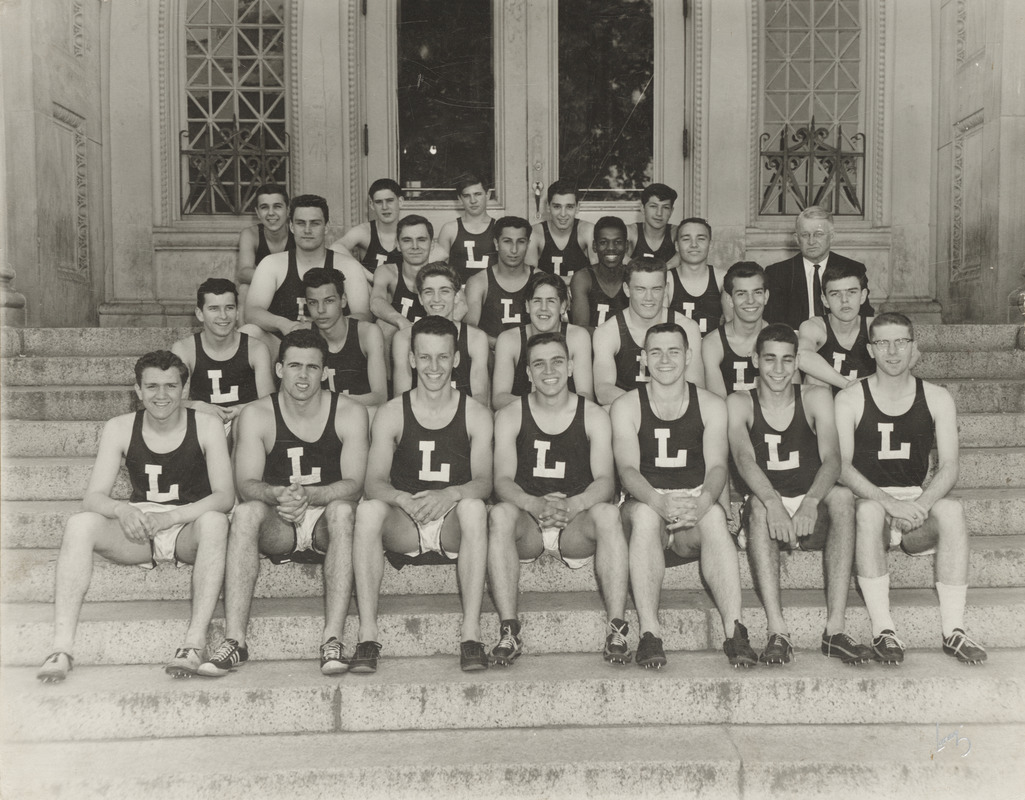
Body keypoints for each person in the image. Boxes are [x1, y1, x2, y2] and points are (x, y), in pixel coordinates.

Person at [37, 351, 233, 682]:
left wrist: (172, 518)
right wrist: (121, 509)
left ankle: (193, 643)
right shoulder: (120, 427)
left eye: (171, 386)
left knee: (216, 522)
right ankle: (61, 647)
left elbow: (225, 497)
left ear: (184, 389)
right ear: (138, 390)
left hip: (187, 526)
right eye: (152, 386)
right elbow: (93, 497)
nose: (161, 395)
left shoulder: (208, 426)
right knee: (79, 524)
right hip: (140, 530)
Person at [198, 330, 369, 677]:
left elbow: (354, 484)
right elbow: (245, 484)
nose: (302, 375)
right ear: (278, 369)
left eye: (311, 367)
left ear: (324, 372)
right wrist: (276, 495)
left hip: (324, 518)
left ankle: (332, 638)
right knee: (246, 514)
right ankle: (235, 641)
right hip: (279, 519)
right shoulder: (257, 414)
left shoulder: (349, 412)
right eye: (294, 365)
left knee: (344, 511)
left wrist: (312, 496)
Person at [835, 312, 986, 665]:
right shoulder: (850, 398)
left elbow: (949, 466)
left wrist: (921, 503)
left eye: (901, 342)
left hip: (913, 503)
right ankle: (884, 630)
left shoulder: (937, 397)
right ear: (870, 349)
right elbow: (840, 467)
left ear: (914, 347)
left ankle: (954, 630)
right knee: (870, 511)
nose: (892, 351)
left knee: (952, 510)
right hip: (868, 500)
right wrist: (888, 503)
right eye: (883, 343)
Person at [351, 317, 494, 673]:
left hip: (452, 522)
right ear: (412, 359)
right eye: (425, 357)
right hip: (405, 520)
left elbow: (485, 481)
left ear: (456, 359)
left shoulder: (476, 413)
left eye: (443, 357)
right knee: (369, 511)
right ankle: (367, 635)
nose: (434, 367)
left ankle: (471, 633)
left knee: (476, 507)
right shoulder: (391, 413)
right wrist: (402, 499)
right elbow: (374, 482)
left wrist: (452, 495)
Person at [611, 323, 757, 669]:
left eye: (674, 351)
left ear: (688, 356)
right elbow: (628, 470)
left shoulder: (710, 404)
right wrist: (658, 502)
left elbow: (718, 467)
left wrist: (702, 503)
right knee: (646, 516)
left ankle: (734, 628)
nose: (665, 359)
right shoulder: (626, 405)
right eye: (656, 352)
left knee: (716, 516)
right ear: (644, 359)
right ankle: (650, 633)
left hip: (692, 507)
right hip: (645, 504)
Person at [727, 324, 871, 666]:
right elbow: (744, 460)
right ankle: (778, 631)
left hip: (810, 507)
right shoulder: (739, 401)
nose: (779, 370)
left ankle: (835, 630)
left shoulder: (815, 396)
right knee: (760, 507)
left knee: (842, 498)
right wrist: (773, 501)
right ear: (755, 360)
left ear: (797, 364)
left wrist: (810, 500)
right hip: (768, 507)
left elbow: (833, 459)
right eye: (770, 360)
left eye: (787, 361)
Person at [488, 332, 631, 666]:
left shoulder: (594, 414)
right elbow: (502, 481)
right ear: (527, 373)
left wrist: (573, 505)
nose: (548, 370)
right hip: (530, 525)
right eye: (538, 363)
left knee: (609, 515)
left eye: (556, 361)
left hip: (575, 525)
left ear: (570, 366)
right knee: (500, 516)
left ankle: (617, 627)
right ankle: (509, 629)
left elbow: (605, 481)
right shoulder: (510, 415)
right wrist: (534, 505)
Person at [241, 195, 371, 361]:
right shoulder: (272, 264)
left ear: (326, 227)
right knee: (249, 333)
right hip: (285, 345)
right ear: (291, 226)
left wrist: (316, 328)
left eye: (315, 223)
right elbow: (252, 312)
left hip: (332, 344)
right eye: (301, 223)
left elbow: (363, 315)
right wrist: (285, 325)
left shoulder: (348, 265)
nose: (307, 230)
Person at [592, 256, 703, 407]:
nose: (649, 298)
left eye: (656, 289)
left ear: (666, 289)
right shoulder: (608, 332)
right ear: (627, 289)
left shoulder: (688, 327)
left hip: (672, 407)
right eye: (640, 289)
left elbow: (696, 385)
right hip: (629, 409)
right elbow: (603, 391)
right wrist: (647, 406)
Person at [171, 278, 274, 435]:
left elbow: (269, 404)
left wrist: (239, 409)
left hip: (246, 426)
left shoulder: (256, 348)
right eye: (214, 308)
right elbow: (174, 401)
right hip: (204, 426)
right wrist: (199, 406)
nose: (223, 316)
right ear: (200, 313)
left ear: (238, 311)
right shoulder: (184, 349)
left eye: (229, 308)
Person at [492, 271, 593, 410]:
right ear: (527, 306)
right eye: (537, 301)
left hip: (565, 416)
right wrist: (543, 405)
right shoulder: (509, 340)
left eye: (551, 301)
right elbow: (499, 398)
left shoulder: (578, 337)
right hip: (524, 418)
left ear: (563, 306)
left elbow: (586, 395)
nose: (543, 308)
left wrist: (551, 406)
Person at [392, 262, 491, 402]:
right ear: (420, 298)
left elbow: (480, 397)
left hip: (464, 416)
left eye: (444, 291)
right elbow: (401, 397)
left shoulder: (475, 338)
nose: (436, 299)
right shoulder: (404, 338)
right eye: (428, 292)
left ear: (456, 296)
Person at [764, 206, 873, 331]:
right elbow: (773, 319)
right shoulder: (778, 273)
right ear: (797, 239)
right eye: (805, 235)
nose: (811, 241)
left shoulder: (852, 268)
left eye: (818, 234)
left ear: (831, 236)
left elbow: (865, 315)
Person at [303, 268, 387, 407]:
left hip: (360, 416)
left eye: (328, 301)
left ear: (343, 300)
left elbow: (380, 397)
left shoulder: (367, 333)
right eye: (313, 302)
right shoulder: (302, 335)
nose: (320, 310)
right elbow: (287, 396)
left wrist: (333, 401)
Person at [797, 261, 877, 391]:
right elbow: (802, 355)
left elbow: (910, 355)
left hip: (865, 403)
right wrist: (848, 386)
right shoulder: (815, 326)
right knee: (814, 378)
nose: (844, 300)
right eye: (835, 294)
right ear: (825, 300)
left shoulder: (875, 326)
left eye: (851, 292)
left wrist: (865, 384)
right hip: (825, 406)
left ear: (862, 296)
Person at [702, 262, 774, 398]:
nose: (750, 301)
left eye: (757, 292)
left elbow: (792, 399)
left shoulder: (779, 339)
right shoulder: (713, 343)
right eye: (742, 294)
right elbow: (718, 405)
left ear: (766, 296)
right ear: (730, 299)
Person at [369, 214, 433, 362]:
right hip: (400, 334)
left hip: (434, 336)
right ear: (398, 244)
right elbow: (376, 302)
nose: (415, 246)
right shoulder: (388, 272)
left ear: (432, 244)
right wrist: (402, 322)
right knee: (383, 326)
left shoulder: (442, 273)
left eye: (421, 240)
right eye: (407, 240)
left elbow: (461, 306)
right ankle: (389, 384)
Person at [464, 216, 535, 347]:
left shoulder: (540, 279)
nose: (514, 250)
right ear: (496, 244)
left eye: (521, 241)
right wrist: (504, 348)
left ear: (528, 244)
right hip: (492, 355)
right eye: (507, 241)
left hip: (532, 355)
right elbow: (470, 327)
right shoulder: (479, 282)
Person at [236, 184, 294, 325]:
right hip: (266, 292)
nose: (271, 213)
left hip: (294, 291)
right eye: (264, 207)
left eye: (277, 206)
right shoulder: (251, 234)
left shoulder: (297, 232)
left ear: (288, 210)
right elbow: (243, 272)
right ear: (257, 212)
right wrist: (275, 280)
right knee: (244, 290)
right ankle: (245, 340)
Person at [330, 178, 403, 282]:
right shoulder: (365, 231)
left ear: (400, 202)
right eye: (378, 202)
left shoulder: (410, 231)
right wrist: (374, 280)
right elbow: (335, 248)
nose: (385, 207)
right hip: (369, 294)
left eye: (389, 201)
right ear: (372, 205)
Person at [666, 217, 727, 333]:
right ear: (677, 246)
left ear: (711, 244)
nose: (694, 244)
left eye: (701, 239)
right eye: (686, 239)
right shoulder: (667, 280)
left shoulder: (723, 279)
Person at [525, 179, 595, 282]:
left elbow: (598, 271)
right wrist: (568, 281)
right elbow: (530, 273)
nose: (563, 214)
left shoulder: (588, 230)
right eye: (557, 206)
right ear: (548, 207)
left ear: (577, 207)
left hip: (580, 293)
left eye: (569, 207)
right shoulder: (535, 233)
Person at [569, 216, 630, 332]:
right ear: (594, 246)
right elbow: (581, 331)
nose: (611, 248)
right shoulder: (583, 278)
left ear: (626, 246)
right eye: (603, 242)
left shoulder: (633, 276)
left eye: (618, 242)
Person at [436, 174, 496, 285]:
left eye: (477, 194)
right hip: (460, 295)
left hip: (490, 295)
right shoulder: (450, 229)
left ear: (488, 194)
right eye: (467, 196)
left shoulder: (498, 228)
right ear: (459, 198)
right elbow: (438, 271)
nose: (473, 200)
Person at [628, 183, 678, 262]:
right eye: (653, 206)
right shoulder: (631, 232)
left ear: (671, 211)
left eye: (665, 207)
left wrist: (667, 267)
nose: (659, 213)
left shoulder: (676, 232)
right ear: (643, 208)